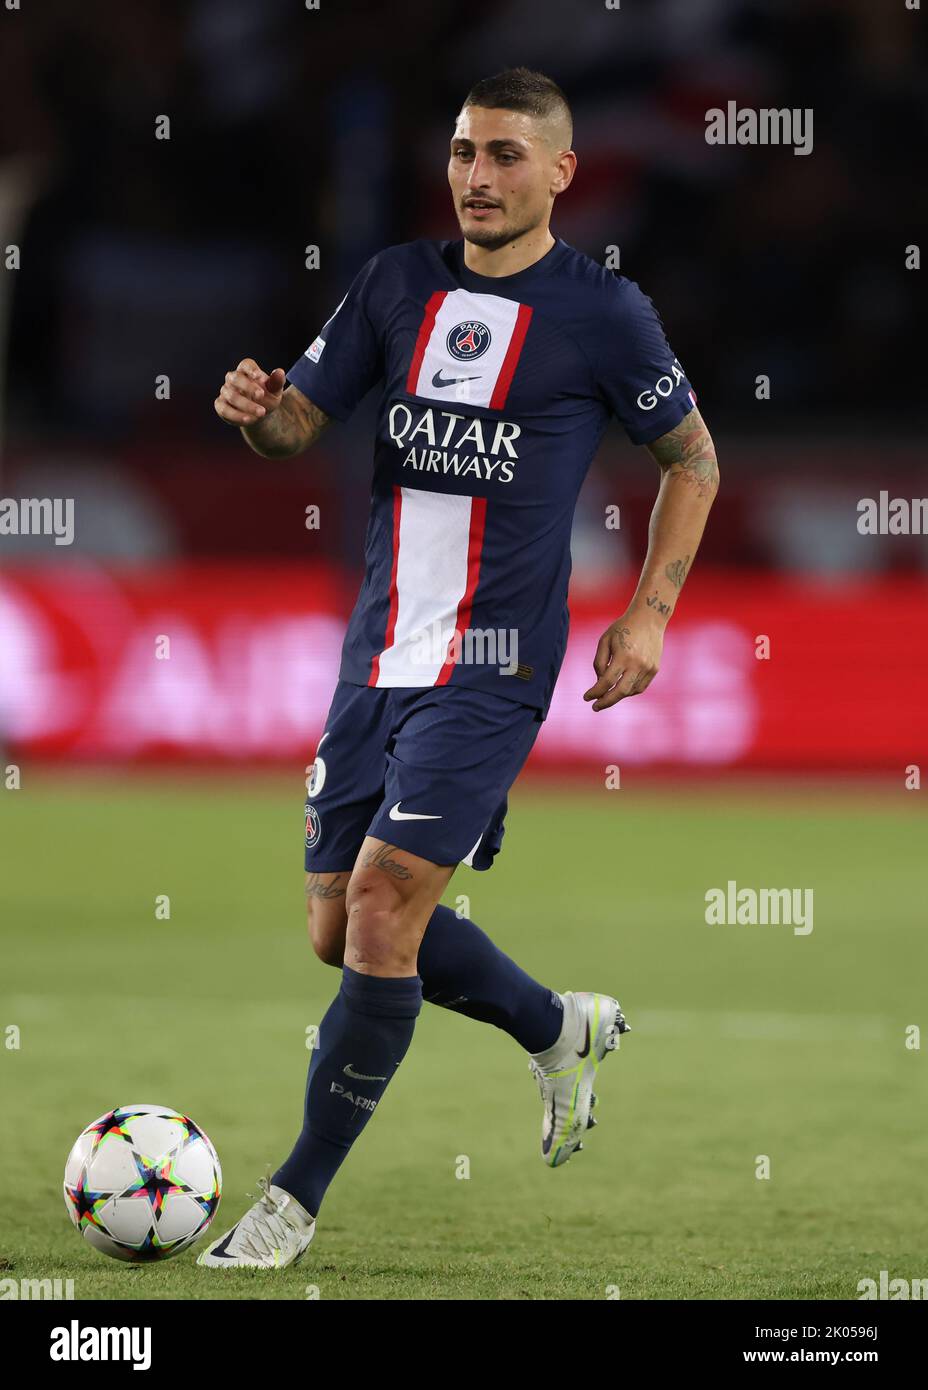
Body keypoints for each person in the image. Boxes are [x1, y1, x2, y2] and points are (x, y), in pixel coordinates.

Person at [201, 66, 719, 1269]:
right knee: (339, 929)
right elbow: (295, 428)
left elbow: (690, 458)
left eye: (501, 156)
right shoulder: (392, 282)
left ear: (560, 173)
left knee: (384, 907)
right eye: (461, 153)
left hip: (494, 667)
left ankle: (289, 1204)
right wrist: (254, 409)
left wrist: (646, 618)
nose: (475, 178)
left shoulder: (602, 314)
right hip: (378, 652)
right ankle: (556, 1025)